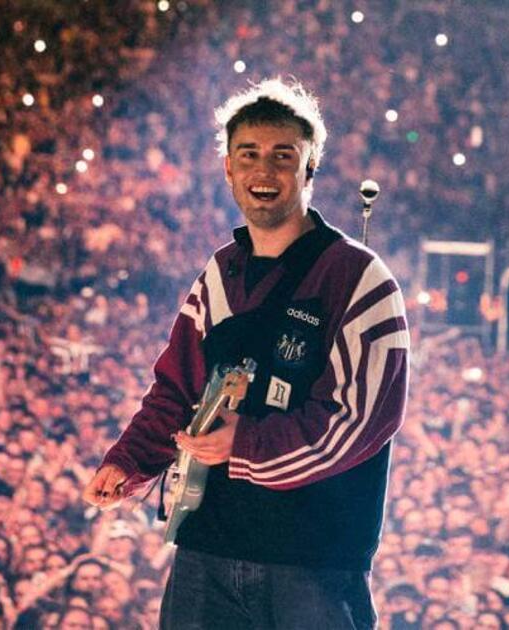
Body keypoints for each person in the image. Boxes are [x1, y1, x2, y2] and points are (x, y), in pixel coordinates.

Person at [82, 77, 409, 629]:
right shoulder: (219, 272)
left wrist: (247, 443)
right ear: (228, 168)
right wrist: (130, 461)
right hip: (206, 549)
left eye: (284, 155)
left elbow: (360, 420)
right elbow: (175, 390)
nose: (264, 170)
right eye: (249, 154)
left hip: (314, 563)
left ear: (310, 167)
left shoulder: (359, 278)